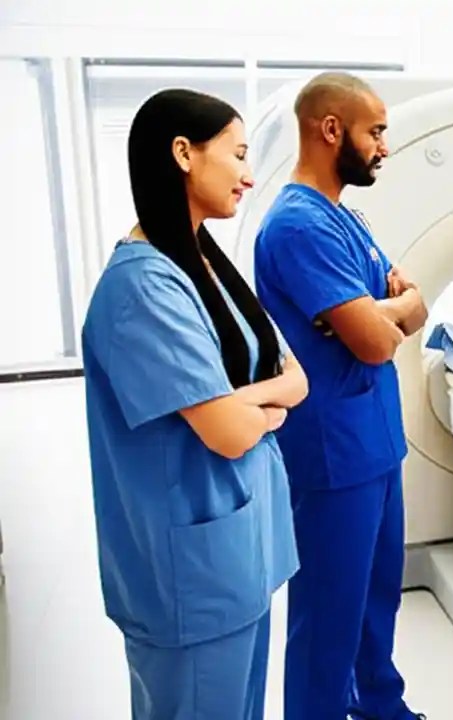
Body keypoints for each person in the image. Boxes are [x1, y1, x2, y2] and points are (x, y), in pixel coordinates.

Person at [80, 88, 306, 719]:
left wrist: (243, 401)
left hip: (240, 555)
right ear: (183, 153)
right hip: (191, 575)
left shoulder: (205, 263)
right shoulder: (144, 287)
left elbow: (297, 378)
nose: (250, 174)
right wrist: (255, 410)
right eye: (237, 154)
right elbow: (231, 434)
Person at [253, 72, 430, 720]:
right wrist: (389, 312)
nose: (384, 146)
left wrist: (390, 308)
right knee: (328, 618)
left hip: (375, 444)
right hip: (332, 453)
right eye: (375, 132)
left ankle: (382, 709)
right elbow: (377, 343)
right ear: (332, 130)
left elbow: (416, 307)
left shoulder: (344, 217)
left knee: (376, 600)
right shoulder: (299, 226)